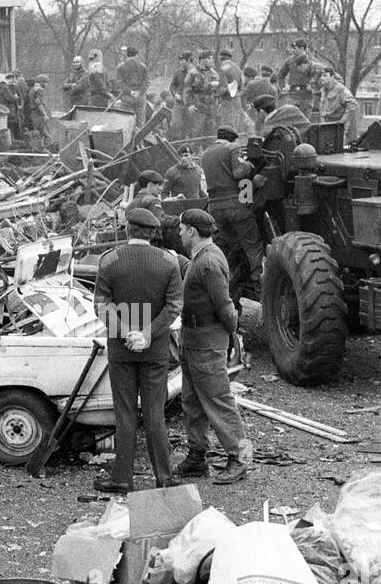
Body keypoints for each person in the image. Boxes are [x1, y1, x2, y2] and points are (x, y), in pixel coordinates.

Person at [92, 206, 184, 493]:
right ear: (153, 232)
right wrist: (147, 334)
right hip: (154, 350)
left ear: (128, 229)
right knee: (155, 414)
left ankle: (122, 478)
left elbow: (101, 305)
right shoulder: (168, 262)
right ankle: (165, 478)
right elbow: (173, 307)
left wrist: (125, 332)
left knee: (125, 414)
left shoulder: (110, 260)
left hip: (121, 350)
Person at [173, 207, 248, 485]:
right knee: (192, 401)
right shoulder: (200, 259)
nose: (179, 233)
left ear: (192, 231)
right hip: (193, 339)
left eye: (181, 228)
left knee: (219, 401)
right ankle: (196, 457)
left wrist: (233, 337)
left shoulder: (209, 262)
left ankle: (241, 458)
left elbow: (226, 308)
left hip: (206, 342)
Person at [201, 126, 260, 306]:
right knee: (252, 245)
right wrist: (250, 165)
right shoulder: (232, 148)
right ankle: (258, 280)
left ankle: (229, 281)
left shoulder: (206, 153)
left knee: (233, 246)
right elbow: (239, 172)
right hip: (235, 206)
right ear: (232, 139)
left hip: (215, 209)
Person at [185, 50, 221, 138]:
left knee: (211, 133)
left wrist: (219, 103)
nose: (211, 60)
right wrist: (190, 104)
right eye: (209, 59)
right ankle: (194, 151)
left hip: (211, 107)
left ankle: (208, 151)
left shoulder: (214, 73)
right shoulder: (193, 72)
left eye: (212, 59)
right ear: (201, 60)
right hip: (198, 106)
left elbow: (218, 90)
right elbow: (186, 90)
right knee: (196, 131)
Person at [318, 70, 359, 140]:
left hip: (339, 127)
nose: (322, 78)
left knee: (340, 147)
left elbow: (353, 104)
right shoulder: (323, 90)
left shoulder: (340, 89)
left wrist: (342, 121)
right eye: (321, 75)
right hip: (328, 125)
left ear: (332, 77)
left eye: (325, 75)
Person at [216, 49, 246, 132]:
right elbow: (241, 85)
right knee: (234, 127)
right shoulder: (238, 68)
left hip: (227, 101)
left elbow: (222, 87)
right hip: (237, 100)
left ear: (221, 57)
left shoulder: (223, 68)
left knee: (226, 127)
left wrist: (216, 93)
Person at [115, 46, 149, 118]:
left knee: (127, 121)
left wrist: (131, 92)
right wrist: (140, 92)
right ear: (136, 55)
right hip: (140, 97)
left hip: (127, 97)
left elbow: (119, 83)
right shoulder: (143, 66)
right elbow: (147, 82)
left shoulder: (121, 67)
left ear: (126, 55)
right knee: (140, 121)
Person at [169, 52, 194, 139]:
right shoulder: (178, 72)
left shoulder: (196, 72)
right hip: (179, 104)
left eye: (182, 61)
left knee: (191, 128)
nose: (180, 63)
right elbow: (172, 85)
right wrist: (174, 94)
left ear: (188, 61)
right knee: (175, 125)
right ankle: (177, 147)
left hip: (191, 105)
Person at [0, 71, 24, 141]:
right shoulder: (5, 87)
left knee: (4, 126)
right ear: (10, 78)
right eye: (12, 80)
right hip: (6, 108)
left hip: (0, 108)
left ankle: (9, 140)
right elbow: (10, 98)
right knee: (10, 125)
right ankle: (11, 140)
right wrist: (15, 97)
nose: (13, 82)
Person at [26, 74, 51, 143]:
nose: (47, 84)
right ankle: (47, 150)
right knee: (46, 134)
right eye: (46, 82)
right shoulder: (39, 90)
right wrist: (45, 114)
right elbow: (38, 103)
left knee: (37, 134)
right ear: (42, 82)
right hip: (39, 114)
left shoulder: (32, 89)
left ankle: (38, 148)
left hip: (34, 114)